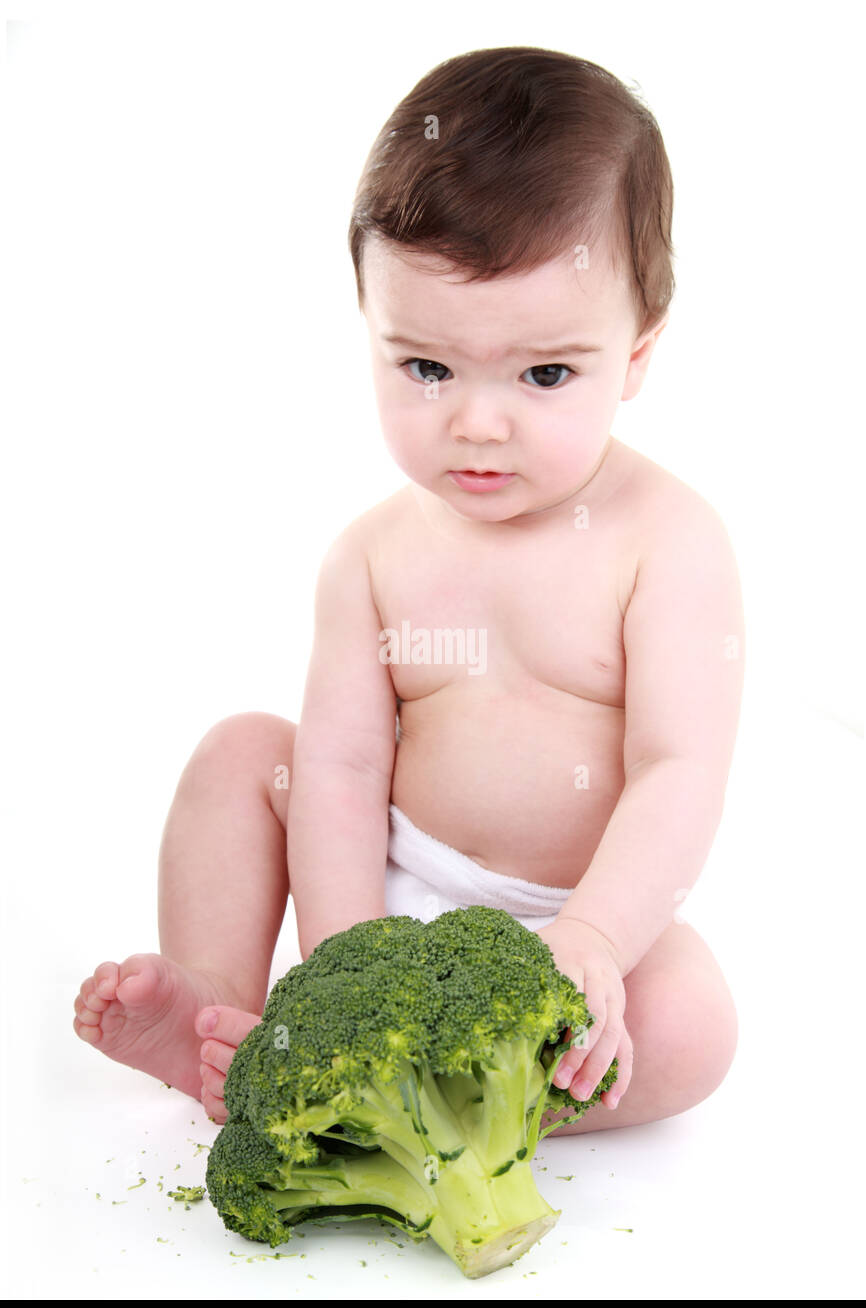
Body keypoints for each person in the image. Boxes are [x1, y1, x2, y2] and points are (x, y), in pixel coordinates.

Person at [73, 46, 743, 1135]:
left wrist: (593, 943)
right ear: (370, 331)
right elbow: (338, 767)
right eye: (426, 368)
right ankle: (232, 1010)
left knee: (693, 1023)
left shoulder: (667, 542)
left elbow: (678, 770)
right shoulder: (371, 555)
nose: (477, 423)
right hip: (388, 880)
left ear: (635, 355)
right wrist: (348, 977)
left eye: (543, 374)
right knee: (248, 752)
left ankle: (458, 1092)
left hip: (565, 923)